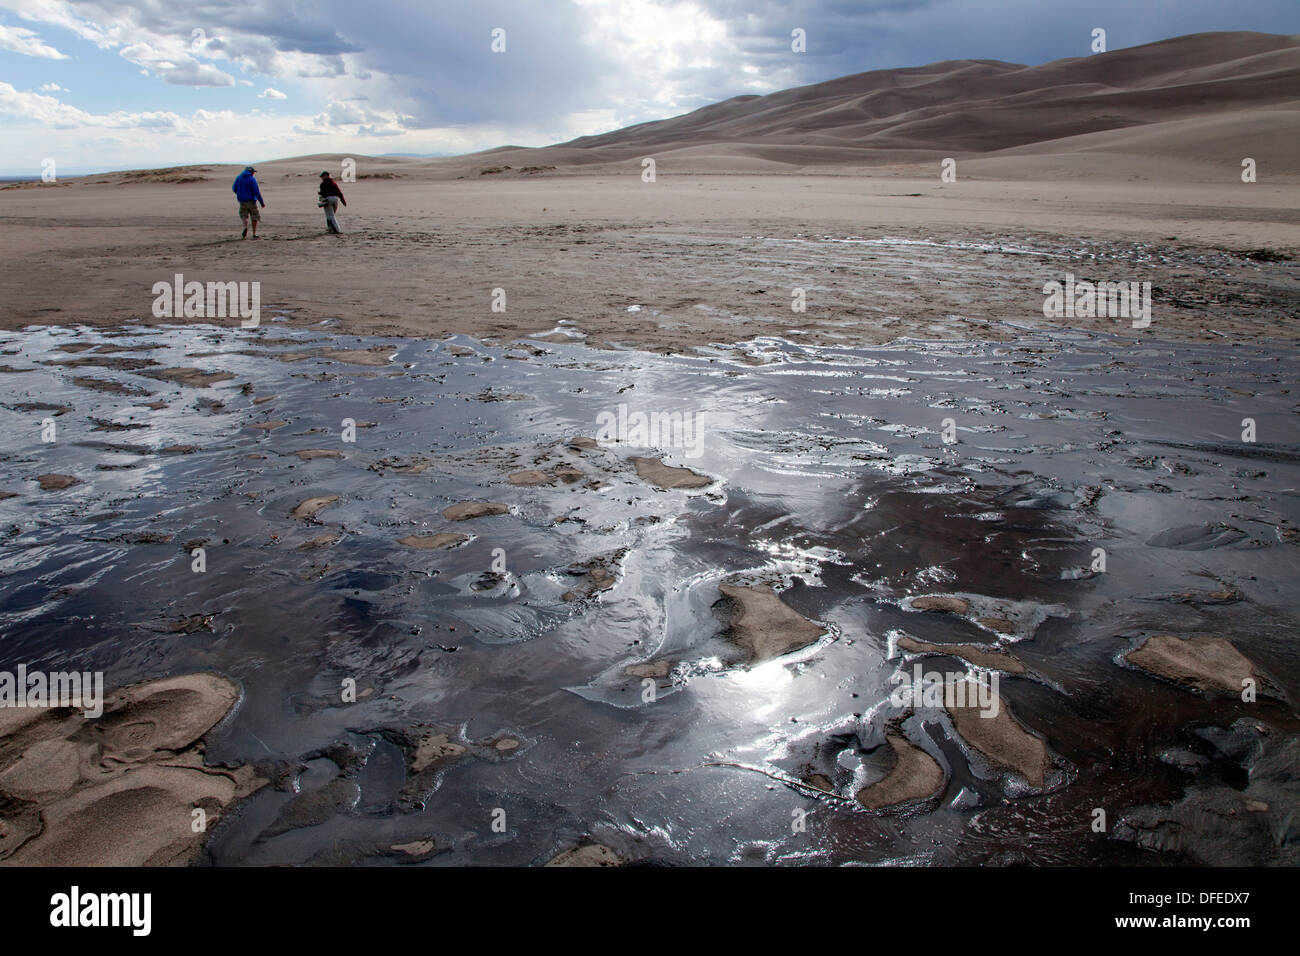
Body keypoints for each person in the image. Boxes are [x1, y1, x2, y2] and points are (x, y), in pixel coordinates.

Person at [232, 166, 265, 239]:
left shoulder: (239, 178)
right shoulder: (252, 179)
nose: (254, 173)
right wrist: (261, 202)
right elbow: (256, 192)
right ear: (251, 172)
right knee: (254, 216)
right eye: (253, 172)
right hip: (251, 201)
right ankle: (254, 234)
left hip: (242, 201)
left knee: (244, 215)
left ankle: (245, 228)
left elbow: (234, 188)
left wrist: (240, 193)